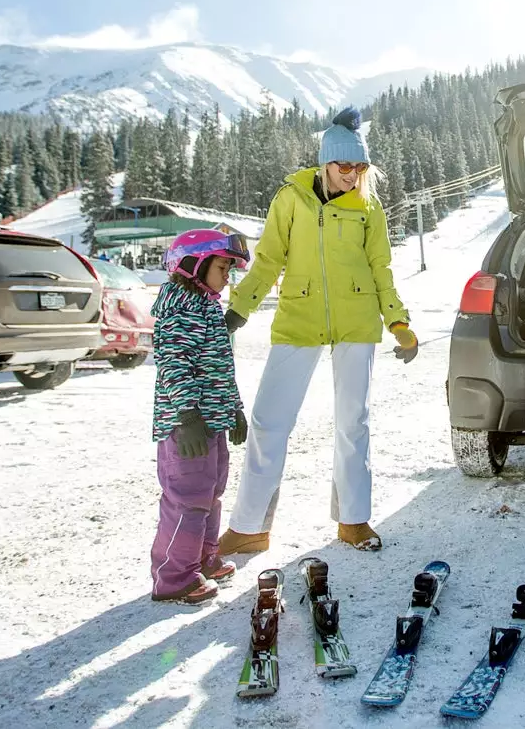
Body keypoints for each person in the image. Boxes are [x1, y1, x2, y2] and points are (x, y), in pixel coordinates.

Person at [216, 107, 417, 556]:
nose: (351, 175)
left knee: (353, 423)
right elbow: (268, 258)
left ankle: (353, 520)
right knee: (269, 422)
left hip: (357, 319)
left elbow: (380, 267)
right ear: (325, 161)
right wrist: (240, 309)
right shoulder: (290, 197)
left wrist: (398, 322)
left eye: (359, 167)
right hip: (299, 318)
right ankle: (250, 527)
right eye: (344, 166)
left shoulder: (368, 206)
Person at [148, 228, 252, 604]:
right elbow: (175, 365)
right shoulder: (180, 306)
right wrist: (186, 415)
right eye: (223, 267)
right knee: (188, 498)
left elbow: (219, 367)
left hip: (211, 421)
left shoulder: (206, 304)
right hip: (185, 426)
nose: (228, 275)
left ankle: (202, 558)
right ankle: (174, 577)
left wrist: (235, 409)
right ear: (194, 264)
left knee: (210, 493)